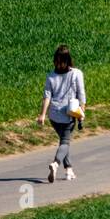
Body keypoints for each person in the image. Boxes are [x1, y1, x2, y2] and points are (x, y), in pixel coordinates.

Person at [38, 45, 86, 182]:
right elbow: (81, 94)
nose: (59, 64)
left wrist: (42, 115)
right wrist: (82, 112)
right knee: (65, 142)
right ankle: (55, 163)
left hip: (53, 116)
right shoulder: (77, 73)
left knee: (63, 142)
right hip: (68, 114)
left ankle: (69, 170)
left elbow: (47, 97)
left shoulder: (50, 76)